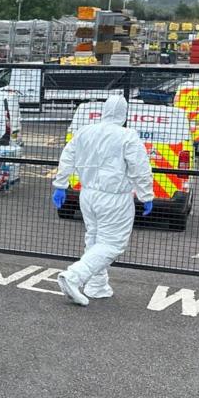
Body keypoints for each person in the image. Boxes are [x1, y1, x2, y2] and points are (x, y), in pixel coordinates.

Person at [50, 95, 153, 305]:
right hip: (115, 198)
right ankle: (73, 276)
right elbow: (140, 169)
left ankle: (97, 286)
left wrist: (61, 185)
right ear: (124, 114)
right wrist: (146, 195)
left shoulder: (85, 131)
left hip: (87, 195)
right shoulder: (127, 136)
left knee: (95, 239)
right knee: (112, 243)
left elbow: (67, 157)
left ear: (104, 111)